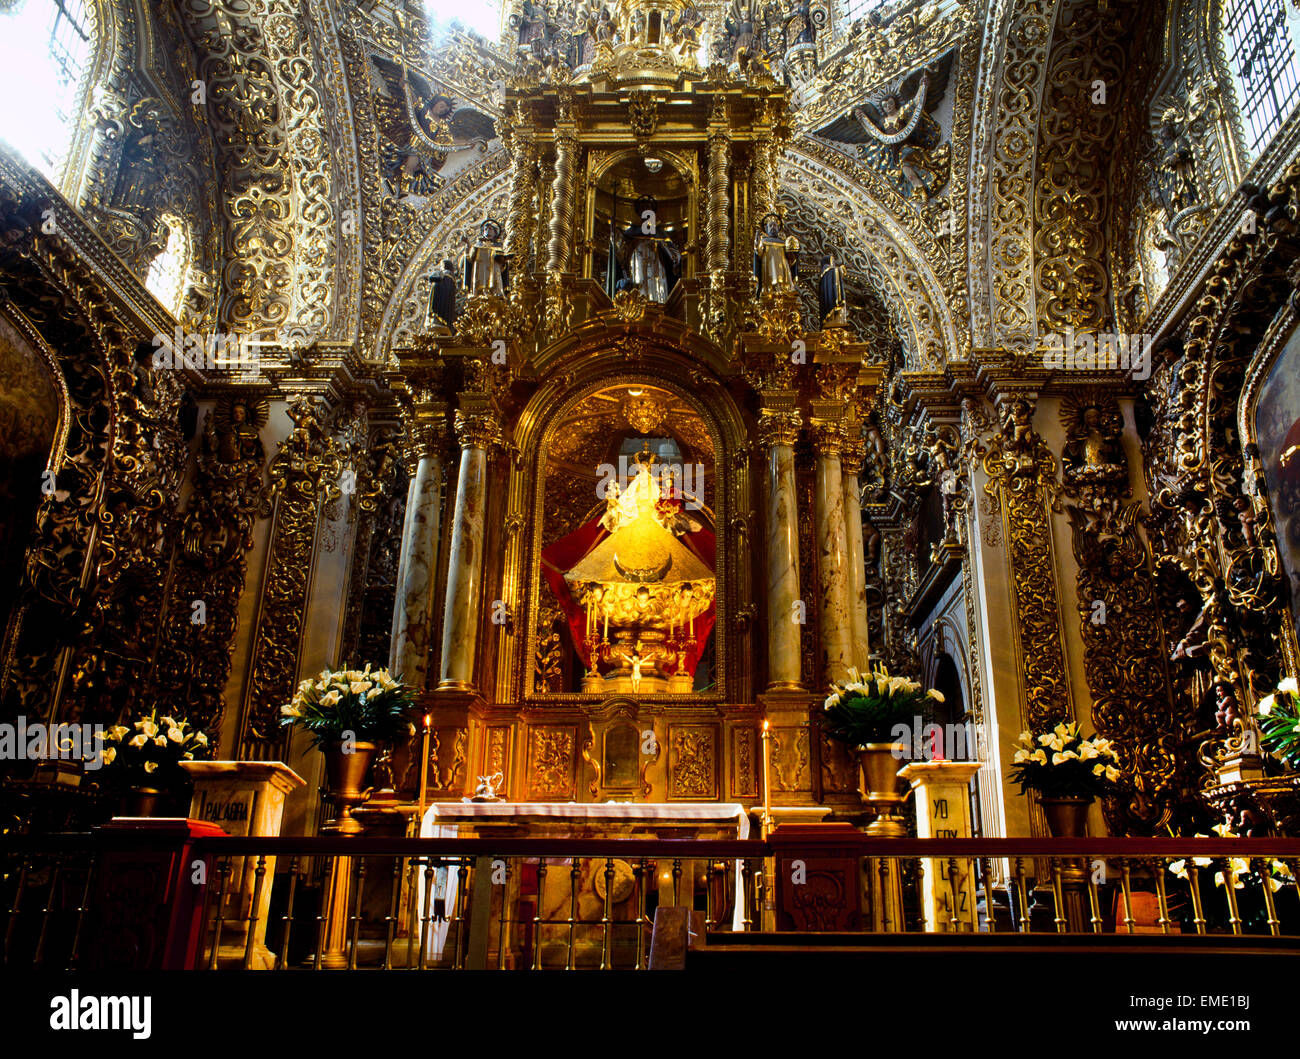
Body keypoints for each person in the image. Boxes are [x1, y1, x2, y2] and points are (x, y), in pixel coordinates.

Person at [753, 213, 798, 293]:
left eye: (775, 225)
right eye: (770, 226)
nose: (773, 227)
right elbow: (758, 254)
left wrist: (792, 252)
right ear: (766, 229)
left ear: (778, 228)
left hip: (782, 269)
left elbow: (791, 259)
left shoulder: (784, 243)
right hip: (769, 267)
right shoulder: (764, 242)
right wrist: (757, 244)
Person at [463, 219, 509, 296]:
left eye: (490, 229)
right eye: (485, 229)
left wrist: (503, 259)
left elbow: (503, 264)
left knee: (495, 285)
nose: (487, 231)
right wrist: (468, 244)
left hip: (494, 270)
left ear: (495, 232)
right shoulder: (477, 245)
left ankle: (496, 292)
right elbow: (470, 258)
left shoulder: (498, 246)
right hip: (480, 271)